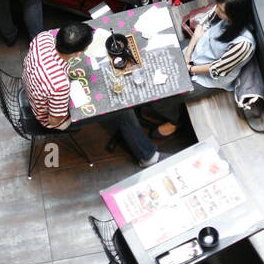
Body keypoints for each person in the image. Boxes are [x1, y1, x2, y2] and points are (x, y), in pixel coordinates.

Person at [22, 22, 162, 167]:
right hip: (48, 117)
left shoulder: (42, 38)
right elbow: (55, 122)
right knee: (123, 109)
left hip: (32, 88)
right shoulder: (60, 85)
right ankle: (148, 157)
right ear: (77, 53)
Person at [184, 0, 256, 98]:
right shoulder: (222, 7)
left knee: (166, 96)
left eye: (221, 11)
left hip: (208, 78)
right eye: (217, 6)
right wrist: (187, 54)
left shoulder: (243, 45)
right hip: (197, 55)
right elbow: (202, 24)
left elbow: (216, 69)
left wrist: (189, 69)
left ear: (235, 16)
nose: (216, 10)